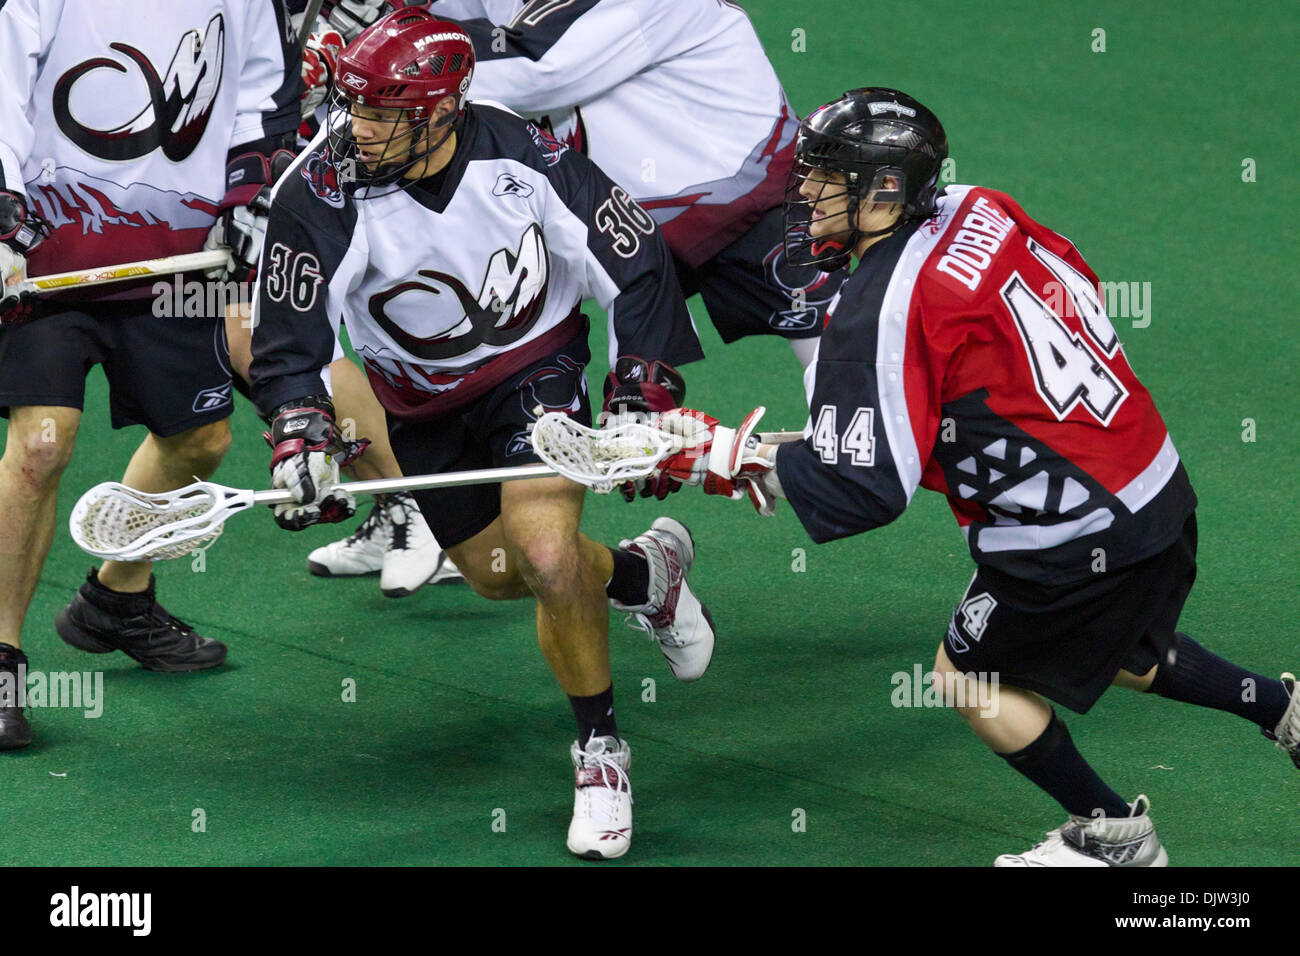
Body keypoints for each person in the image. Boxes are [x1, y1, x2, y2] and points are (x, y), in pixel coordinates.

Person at [654, 87, 1300, 866]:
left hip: (1067, 533)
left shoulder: (882, 307)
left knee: (965, 677)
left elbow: (864, 487)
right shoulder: (977, 204)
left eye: (829, 178)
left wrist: (722, 459)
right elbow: (1078, 281)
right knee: (1116, 643)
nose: (806, 193)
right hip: (1154, 482)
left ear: (886, 190)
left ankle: (1112, 841)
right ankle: (1284, 709)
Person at [248, 9, 714, 859]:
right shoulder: (317, 194)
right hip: (422, 406)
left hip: (535, 367)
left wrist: (640, 386)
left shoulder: (520, 153)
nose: (362, 128)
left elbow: (635, 253)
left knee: (543, 552)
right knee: (506, 577)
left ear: (444, 110)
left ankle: (600, 749)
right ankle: (648, 571)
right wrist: (302, 434)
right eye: (356, 108)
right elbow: (289, 336)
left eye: (386, 113)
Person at [297, 0, 848, 580]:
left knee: (848, 414)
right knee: (449, 333)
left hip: (737, 201)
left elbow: (540, 68)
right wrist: (369, 57)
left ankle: (876, 462)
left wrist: (359, 71)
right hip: (599, 217)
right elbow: (425, 24)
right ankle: (413, 506)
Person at [0, 0, 301, 749]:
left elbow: (266, 92)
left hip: (180, 257)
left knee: (198, 440)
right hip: (42, 257)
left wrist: (248, 196)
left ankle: (117, 597)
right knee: (41, 444)